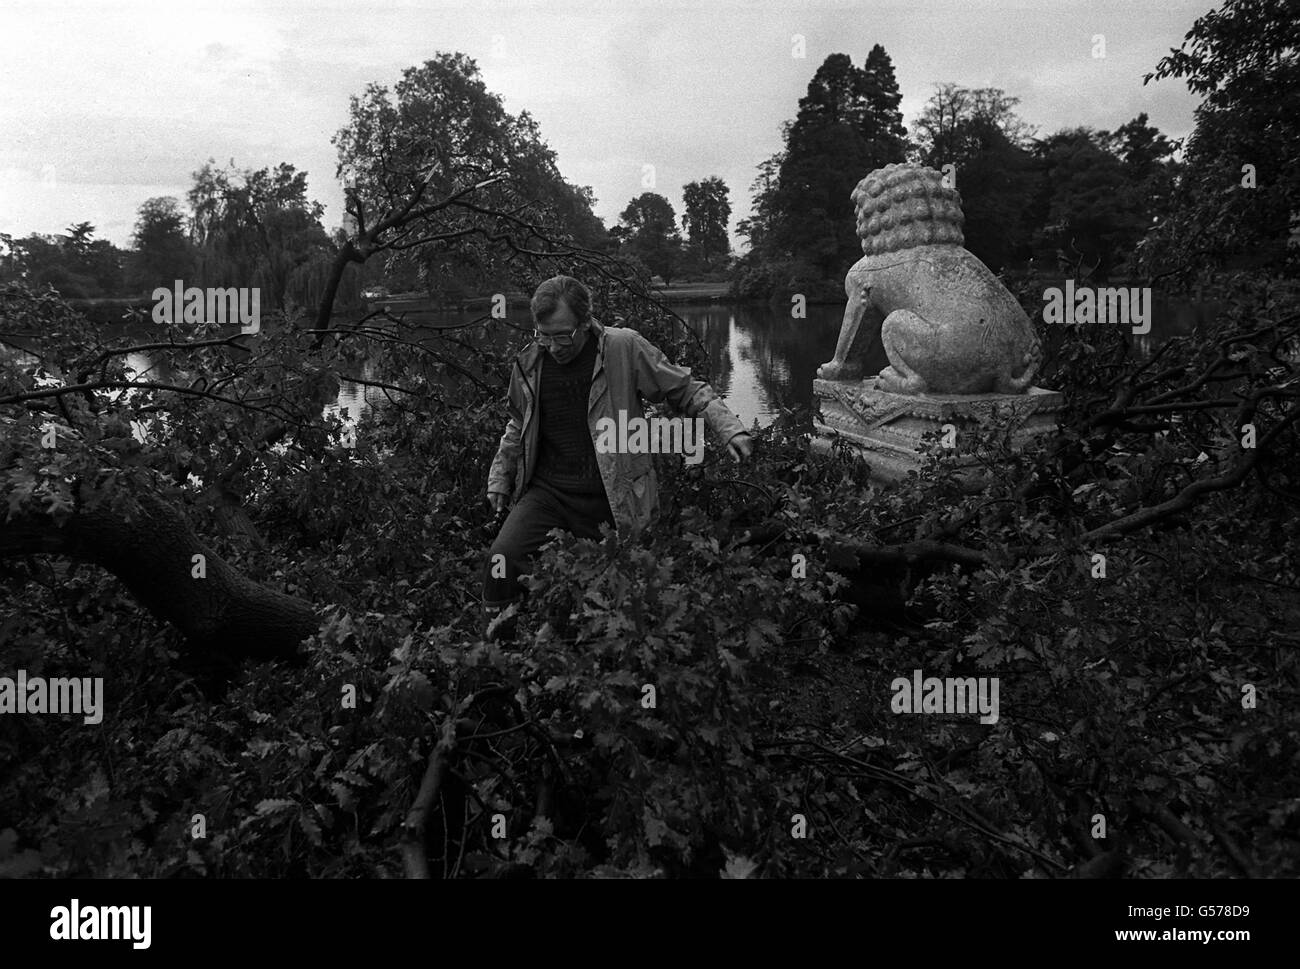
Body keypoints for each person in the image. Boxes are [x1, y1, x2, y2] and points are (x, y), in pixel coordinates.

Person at [482, 274, 752, 638]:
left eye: (562, 335)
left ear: (586, 321)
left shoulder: (622, 348)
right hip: (549, 493)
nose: (553, 346)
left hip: (612, 495)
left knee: (604, 607)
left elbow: (684, 388)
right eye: (542, 335)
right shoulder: (530, 362)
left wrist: (726, 426)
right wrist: (500, 476)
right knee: (501, 558)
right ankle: (500, 648)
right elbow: (517, 424)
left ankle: (560, 633)